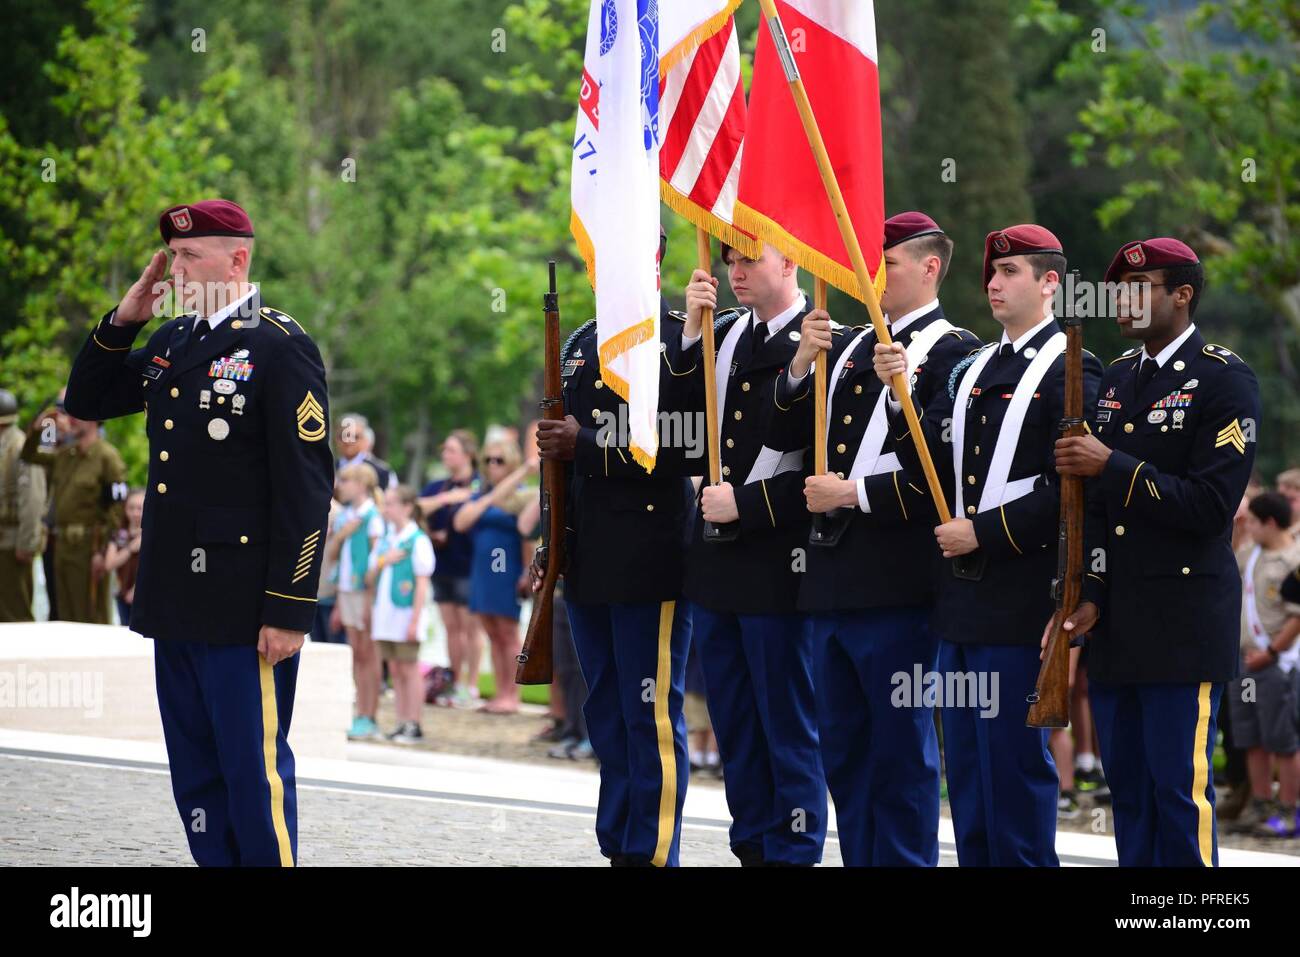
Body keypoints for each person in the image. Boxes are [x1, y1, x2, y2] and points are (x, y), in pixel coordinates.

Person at [62, 198, 333, 866]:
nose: (175, 270)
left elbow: (306, 490)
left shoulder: (279, 345)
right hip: (174, 599)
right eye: (172, 256)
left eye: (189, 256)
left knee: (252, 774)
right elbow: (86, 403)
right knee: (196, 779)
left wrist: (291, 607)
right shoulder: (173, 341)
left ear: (236, 259)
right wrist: (125, 319)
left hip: (244, 609)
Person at [875, 223, 1102, 866]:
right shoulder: (975, 366)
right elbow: (931, 465)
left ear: (1050, 282)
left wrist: (983, 530)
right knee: (968, 776)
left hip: (1022, 599)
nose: (994, 284)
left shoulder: (1074, 367)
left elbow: (1071, 492)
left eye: (1011, 273)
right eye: (992, 273)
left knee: (1013, 772)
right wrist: (899, 405)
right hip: (960, 604)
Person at [767, 212, 980, 865]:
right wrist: (801, 366)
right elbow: (784, 434)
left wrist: (896, 403)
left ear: (930, 267)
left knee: (900, 755)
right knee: (845, 750)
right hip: (833, 578)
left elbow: (938, 472)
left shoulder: (954, 350)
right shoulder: (853, 342)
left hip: (899, 583)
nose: (869, 274)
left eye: (884, 262)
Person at [1054, 237, 1260, 866]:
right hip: (1119, 624)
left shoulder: (1224, 378)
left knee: (1177, 793)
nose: (1123, 299)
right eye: (1119, 288)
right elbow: (1096, 514)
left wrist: (1110, 463)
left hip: (1183, 621)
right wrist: (1089, 593)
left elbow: (1208, 507)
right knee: (1132, 795)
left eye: (1138, 288)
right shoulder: (1115, 379)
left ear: (1182, 295)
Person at [533, 236, 697, 862]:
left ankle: (653, 851)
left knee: (648, 716)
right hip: (587, 556)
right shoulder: (579, 342)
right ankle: (619, 844)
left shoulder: (677, 341)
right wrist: (551, 542)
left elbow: (687, 443)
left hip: (649, 557)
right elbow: (557, 462)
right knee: (604, 711)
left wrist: (592, 443)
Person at [678, 241, 827, 866]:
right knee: (736, 724)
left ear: (789, 263)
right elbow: (679, 426)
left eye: (749, 261)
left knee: (786, 724)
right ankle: (753, 848)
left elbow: (825, 469)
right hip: (716, 566)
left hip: (778, 563)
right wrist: (688, 334)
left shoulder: (822, 339)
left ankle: (792, 851)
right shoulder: (723, 334)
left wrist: (749, 506)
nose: (734, 273)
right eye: (730, 261)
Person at [1227, 491, 1300, 837]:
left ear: (1270, 522)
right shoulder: (1252, 553)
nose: (1250, 527)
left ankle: (1288, 810)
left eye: (1254, 521)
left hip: (1275, 663)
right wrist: (1239, 527)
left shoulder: (1293, 559)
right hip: (1245, 664)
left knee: (1282, 739)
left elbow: (1297, 616)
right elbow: (1230, 565)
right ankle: (1260, 804)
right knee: (1251, 735)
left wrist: (1270, 654)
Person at [22, 402, 127, 624]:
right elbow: (29, 456)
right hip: (62, 544)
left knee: (90, 615)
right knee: (65, 614)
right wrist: (39, 427)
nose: (69, 420)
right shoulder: (65, 454)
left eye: (76, 416)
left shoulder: (107, 457)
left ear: (94, 421)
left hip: (89, 546)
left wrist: (104, 549)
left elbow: (116, 508)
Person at [453, 438, 535, 715]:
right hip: (483, 570)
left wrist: (527, 571)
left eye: (498, 460)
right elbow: (461, 523)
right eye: (488, 460)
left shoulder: (522, 496)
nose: (492, 465)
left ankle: (512, 694)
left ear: (510, 463)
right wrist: (489, 495)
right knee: (492, 632)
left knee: (508, 632)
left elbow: (528, 538)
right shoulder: (483, 495)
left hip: (506, 569)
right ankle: (500, 692)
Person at [366, 485, 435, 744]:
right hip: (385, 614)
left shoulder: (417, 540)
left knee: (409, 667)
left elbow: (422, 583)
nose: (387, 509)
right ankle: (401, 720)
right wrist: (386, 560)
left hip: (405, 614)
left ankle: (413, 722)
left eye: (392, 503)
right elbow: (370, 574)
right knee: (395, 668)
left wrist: (415, 620)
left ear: (407, 507)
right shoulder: (386, 539)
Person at [419, 429, 482, 705]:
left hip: (470, 563)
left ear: (468, 454)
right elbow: (416, 509)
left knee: (471, 628)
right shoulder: (439, 487)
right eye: (444, 450)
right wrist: (447, 500)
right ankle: (454, 680)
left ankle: (472, 684)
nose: (446, 455)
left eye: (451, 450)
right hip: (443, 563)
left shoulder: (480, 484)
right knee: (451, 627)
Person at [327, 463, 386, 739]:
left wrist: (370, 600)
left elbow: (376, 559)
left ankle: (369, 713)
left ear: (362, 484)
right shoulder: (347, 517)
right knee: (357, 653)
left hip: (365, 591)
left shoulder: (372, 516)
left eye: (348, 480)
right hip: (347, 589)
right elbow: (334, 555)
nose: (343, 485)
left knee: (368, 653)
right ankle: (360, 711)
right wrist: (342, 534)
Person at [0, 390, 47, 622]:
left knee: (15, 614)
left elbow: (33, 498)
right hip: (5, 541)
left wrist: (27, 542)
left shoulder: (20, 446)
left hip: (11, 541)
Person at [104, 487, 145, 626]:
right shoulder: (120, 535)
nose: (135, 513)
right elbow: (109, 564)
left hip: (142, 596)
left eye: (140, 508)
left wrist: (137, 590)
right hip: (122, 594)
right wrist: (130, 549)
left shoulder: (151, 536)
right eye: (131, 508)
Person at [336, 412, 396, 492]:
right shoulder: (327, 467)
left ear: (364, 440)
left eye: (354, 436)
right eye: (343, 436)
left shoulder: (382, 471)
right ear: (336, 439)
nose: (348, 441)